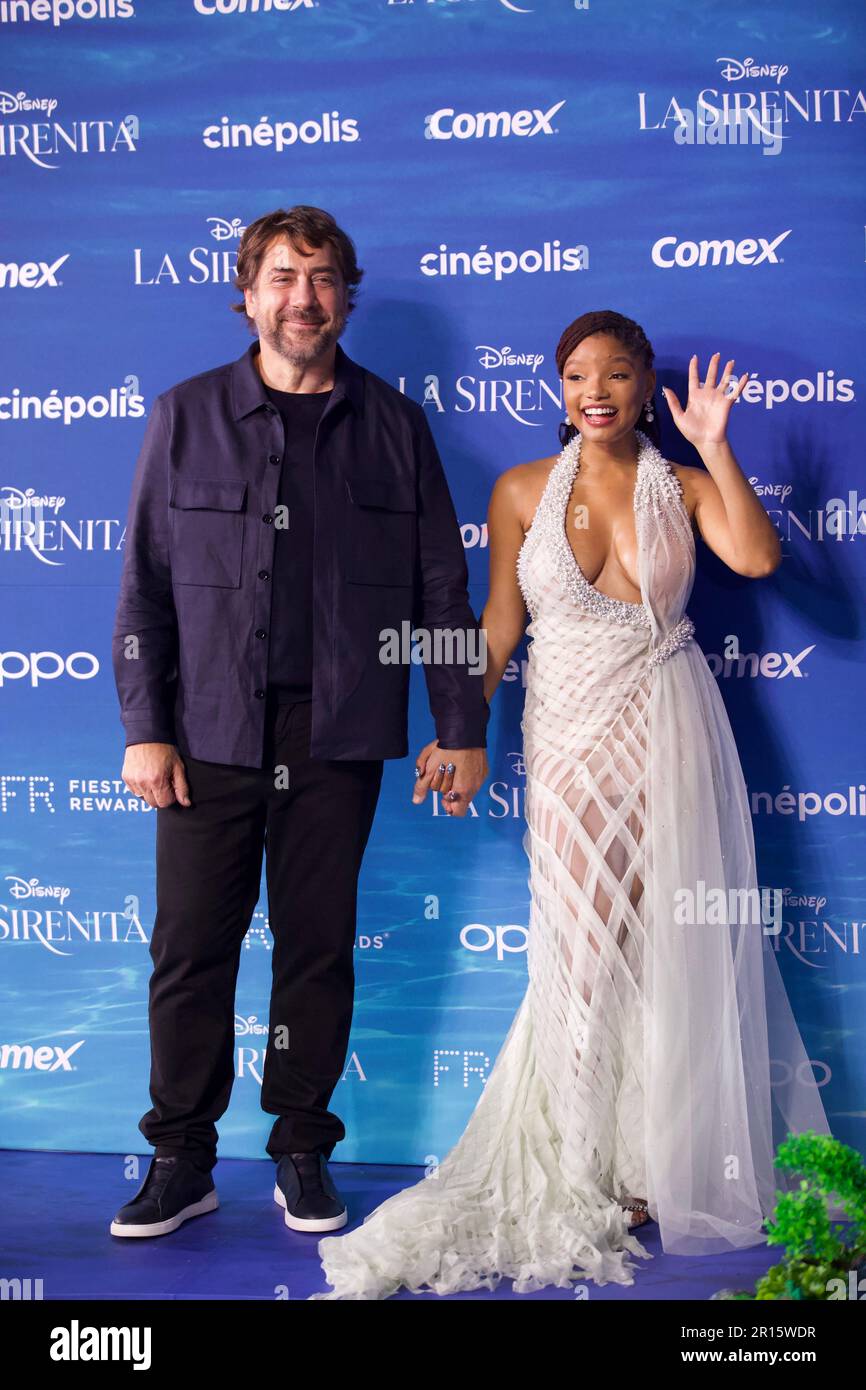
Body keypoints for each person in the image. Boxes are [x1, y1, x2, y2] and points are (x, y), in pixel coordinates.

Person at [309, 308, 835, 1299]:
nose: (595, 389)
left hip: (671, 732)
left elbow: (757, 559)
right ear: (558, 391)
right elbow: (498, 623)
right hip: (566, 741)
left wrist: (716, 448)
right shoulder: (519, 491)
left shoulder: (680, 485)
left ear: (643, 389)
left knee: (665, 949)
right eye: (577, 374)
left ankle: (648, 1170)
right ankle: (579, 1165)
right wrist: (457, 731)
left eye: (617, 373)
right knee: (584, 950)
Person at [108, 205, 489, 1239]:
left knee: (316, 946)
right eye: (281, 277)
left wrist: (458, 724)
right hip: (205, 735)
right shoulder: (182, 416)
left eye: (320, 278)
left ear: (345, 295)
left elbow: (440, 590)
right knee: (192, 946)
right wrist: (146, 727)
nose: (301, 297)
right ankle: (180, 1156)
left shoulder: (396, 426)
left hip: (338, 733)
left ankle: (301, 1148)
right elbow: (143, 588)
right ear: (247, 292)